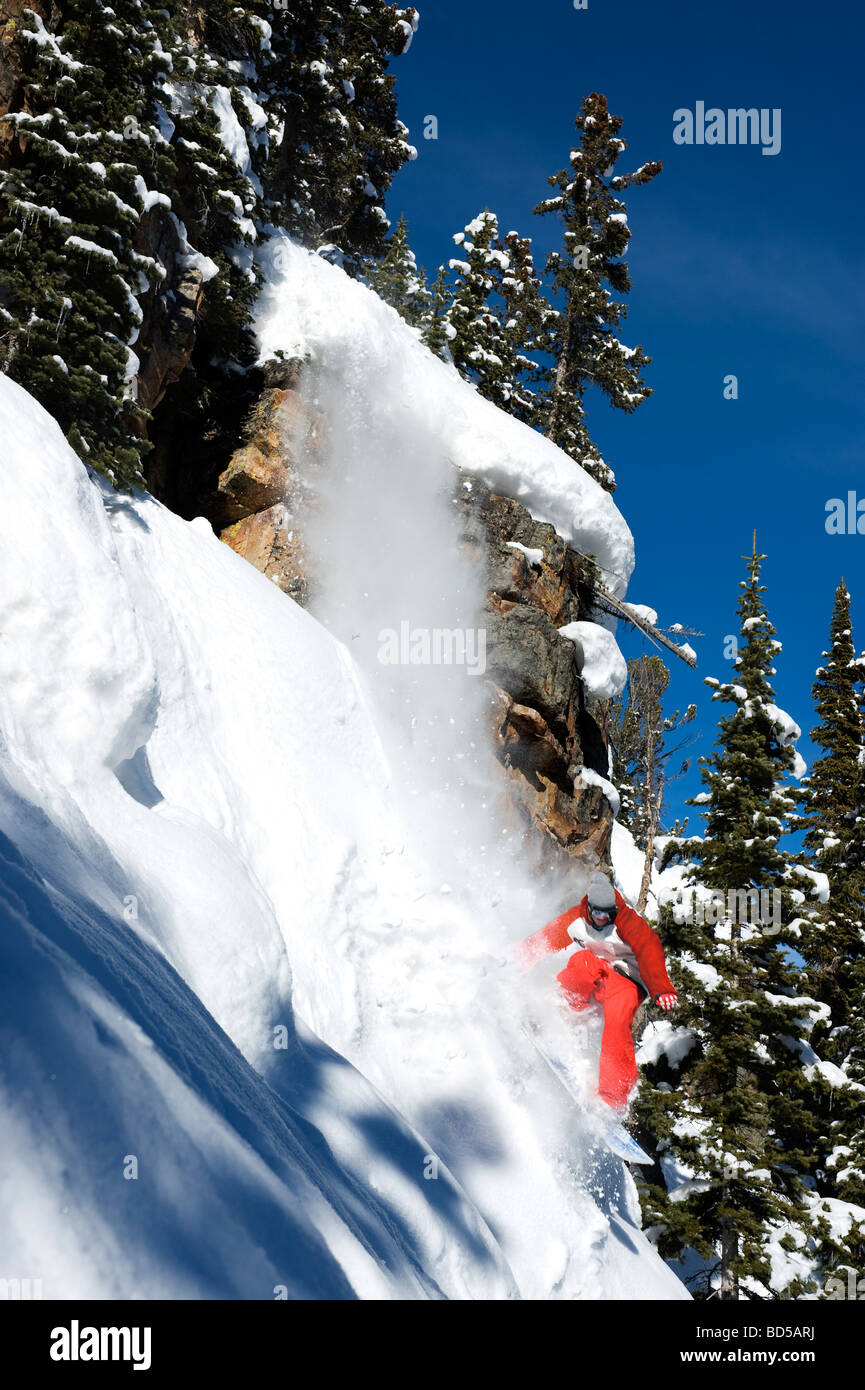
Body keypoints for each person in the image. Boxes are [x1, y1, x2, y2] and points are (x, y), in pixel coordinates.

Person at [519, 871, 677, 1113]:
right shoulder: (577, 919)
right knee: (581, 963)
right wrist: (515, 959)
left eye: (607, 913)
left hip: (628, 980)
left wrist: (662, 989)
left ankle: (612, 1096)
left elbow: (650, 950)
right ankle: (555, 1019)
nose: (602, 919)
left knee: (617, 1020)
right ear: (589, 907)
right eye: (597, 913)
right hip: (598, 969)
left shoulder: (628, 922)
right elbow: (546, 938)